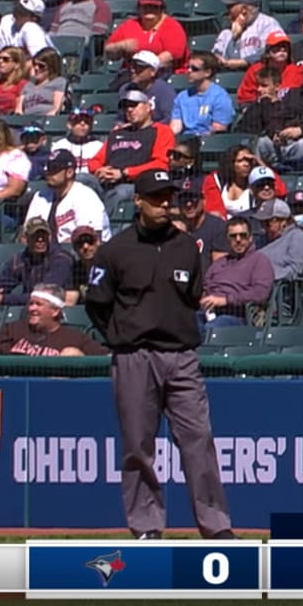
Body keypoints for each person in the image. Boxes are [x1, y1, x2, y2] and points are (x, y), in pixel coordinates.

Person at [83, 169, 235, 539]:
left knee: (199, 440)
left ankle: (215, 526)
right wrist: (121, 336)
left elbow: (193, 296)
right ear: (138, 200)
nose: (165, 204)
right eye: (156, 198)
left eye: (168, 197)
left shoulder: (186, 246)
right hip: (135, 356)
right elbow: (97, 304)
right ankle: (147, 526)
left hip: (181, 356)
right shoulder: (115, 250)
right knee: (138, 445)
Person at [0, 284, 106, 356]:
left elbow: (106, 359)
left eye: (38, 304)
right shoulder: (12, 330)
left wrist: (80, 358)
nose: (32, 308)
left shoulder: (75, 338)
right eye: (31, 304)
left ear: (55, 311)